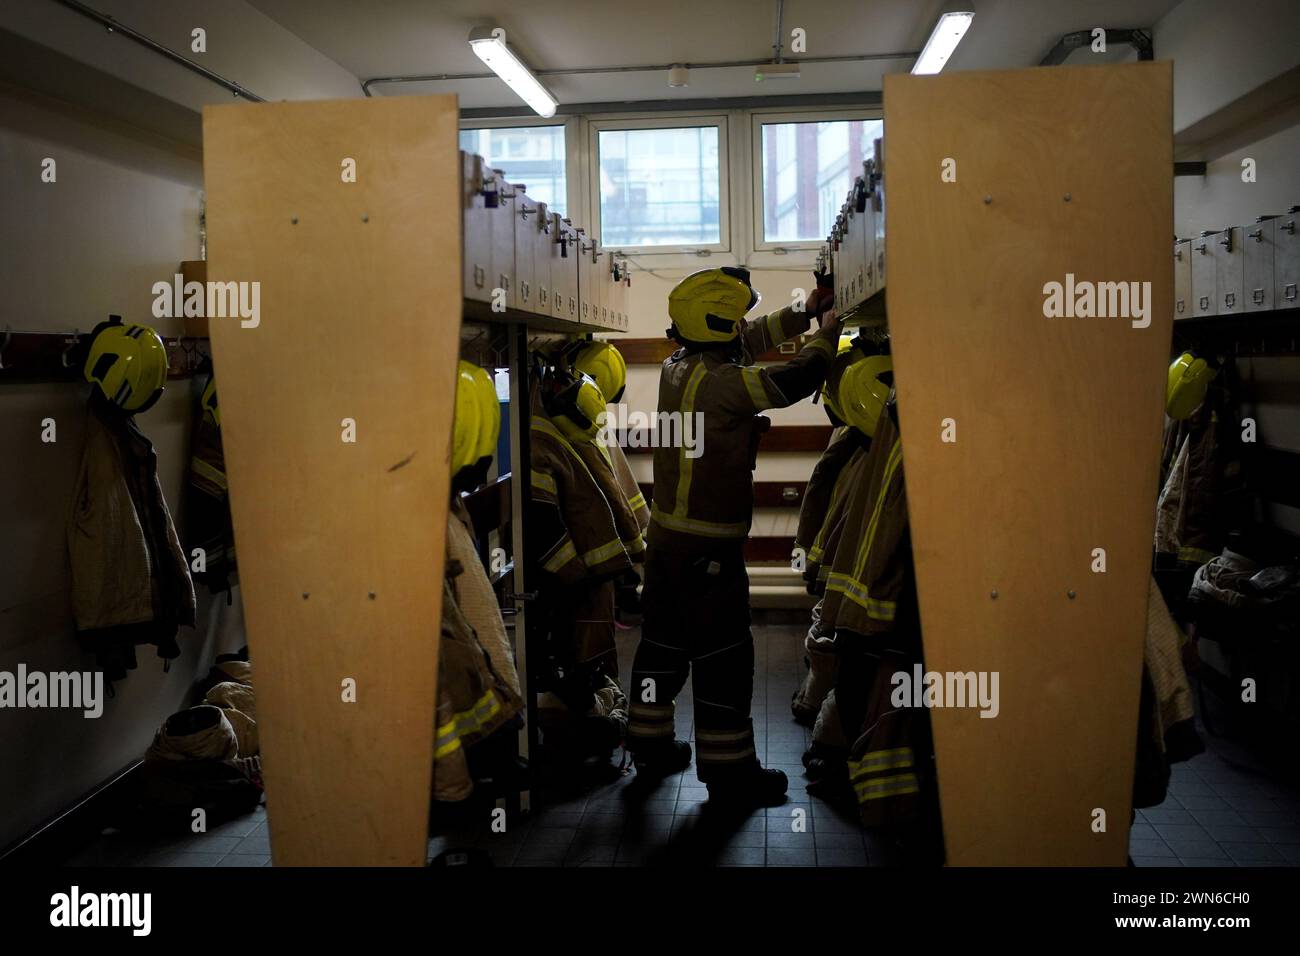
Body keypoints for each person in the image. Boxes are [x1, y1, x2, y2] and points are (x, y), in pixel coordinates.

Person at [626, 267, 840, 805]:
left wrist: (805, 308)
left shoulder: (684, 365)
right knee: (724, 655)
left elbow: (749, 338)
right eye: (736, 315)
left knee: (662, 645)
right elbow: (788, 383)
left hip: (669, 542)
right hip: (707, 548)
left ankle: (648, 744)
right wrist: (828, 332)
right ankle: (730, 774)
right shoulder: (720, 382)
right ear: (717, 322)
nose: (744, 324)